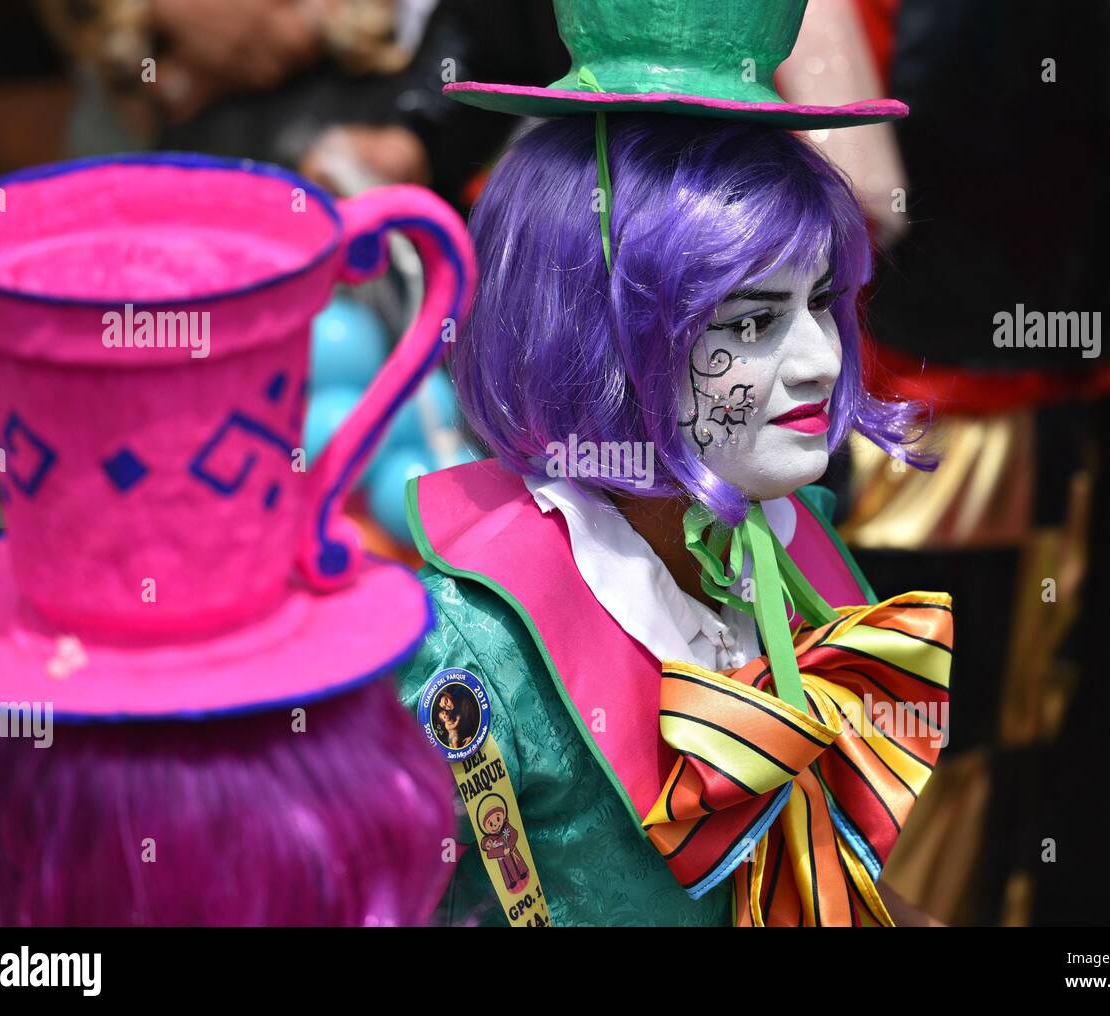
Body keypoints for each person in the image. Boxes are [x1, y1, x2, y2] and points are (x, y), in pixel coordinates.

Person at [396, 0, 954, 927]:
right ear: (601, 338)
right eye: (750, 320)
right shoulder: (466, 653)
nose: (821, 358)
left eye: (821, 300)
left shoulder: (785, 550)